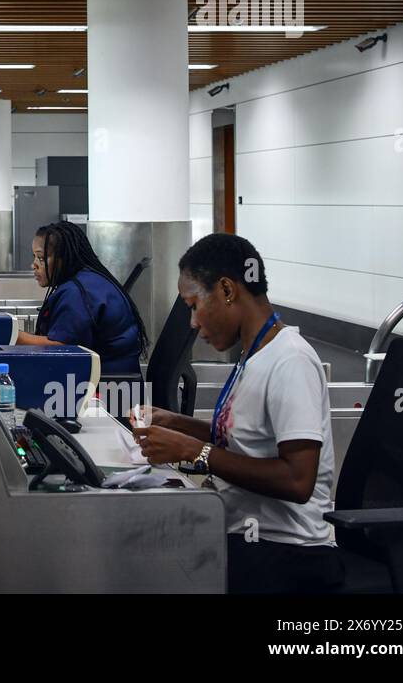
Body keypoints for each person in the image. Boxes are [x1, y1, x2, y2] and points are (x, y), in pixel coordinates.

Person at [130, 232, 342, 594]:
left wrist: (193, 451)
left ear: (227, 290)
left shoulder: (289, 360)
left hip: (287, 554)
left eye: (194, 305)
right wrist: (176, 423)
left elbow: (298, 480)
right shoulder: (255, 354)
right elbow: (246, 442)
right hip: (244, 536)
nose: (193, 323)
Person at [12, 220, 146, 375]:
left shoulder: (77, 293)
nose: (33, 265)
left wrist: (9, 334)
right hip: (117, 384)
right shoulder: (86, 280)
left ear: (63, 258)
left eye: (41, 258)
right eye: (34, 257)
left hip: (109, 389)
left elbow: (61, 349)